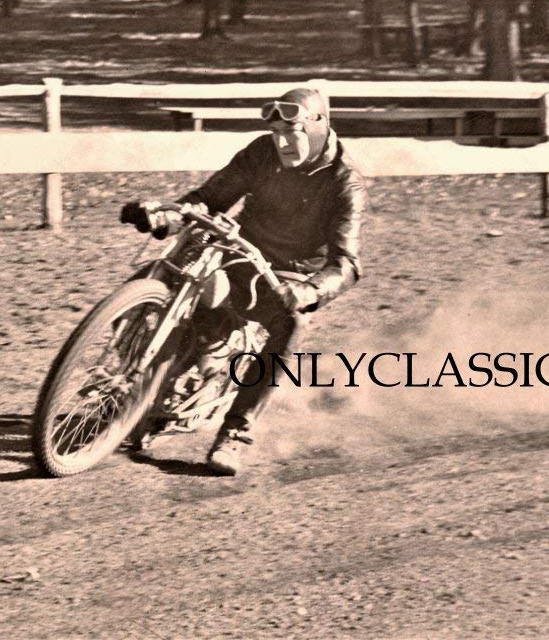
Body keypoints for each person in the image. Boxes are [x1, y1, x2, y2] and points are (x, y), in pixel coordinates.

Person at [120, 88, 367, 475]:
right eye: (276, 133)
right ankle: (141, 380)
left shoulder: (344, 182)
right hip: (239, 252)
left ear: (318, 128)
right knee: (169, 272)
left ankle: (235, 433)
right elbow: (209, 199)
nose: (283, 142)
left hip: (286, 276)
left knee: (293, 323)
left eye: (293, 132)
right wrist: (168, 218)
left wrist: (309, 290)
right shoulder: (261, 152)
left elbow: (347, 264)